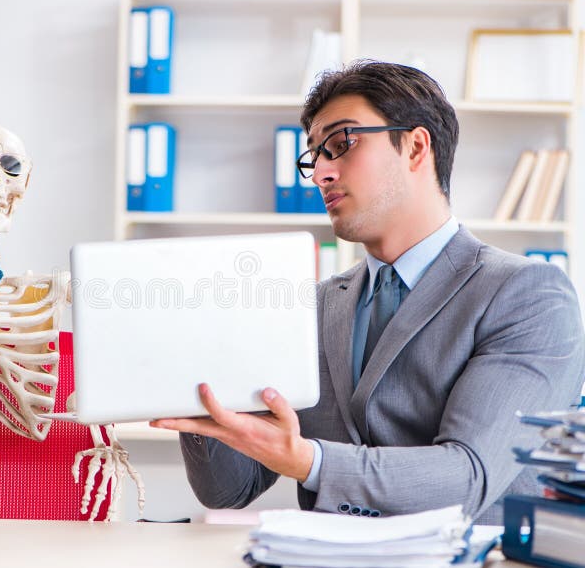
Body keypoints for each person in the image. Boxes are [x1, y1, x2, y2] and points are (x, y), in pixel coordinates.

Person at [150, 60, 585, 524]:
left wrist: (308, 462)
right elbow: (230, 490)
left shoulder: (529, 294)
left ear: (416, 147)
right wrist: (194, 373)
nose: (320, 174)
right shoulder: (313, 306)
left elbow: (468, 476)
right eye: (314, 157)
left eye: (340, 145)